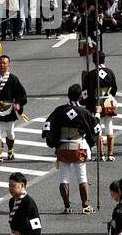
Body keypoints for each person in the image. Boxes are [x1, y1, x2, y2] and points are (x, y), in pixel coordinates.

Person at [42, 83, 100, 215]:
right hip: (78, 147)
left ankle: (67, 205)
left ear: (68, 95)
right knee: (82, 176)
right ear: (80, 97)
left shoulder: (59, 110)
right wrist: (97, 114)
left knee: (64, 178)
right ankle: (85, 205)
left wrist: (52, 140)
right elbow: (96, 128)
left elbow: (47, 124)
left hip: (62, 148)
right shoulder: (84, 112)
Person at [0, 53, 27, 163]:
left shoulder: (13, 79)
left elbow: (21, 94)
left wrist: (18, 104)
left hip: (8, 109)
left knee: (10, 133)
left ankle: (10, 149)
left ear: (8, 65)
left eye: (4, 63)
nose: (2, 65)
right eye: (0, 63)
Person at [82, 52, 118, 161]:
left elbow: (86, 91)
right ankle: (110, 153)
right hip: (107, 101)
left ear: (93, 61)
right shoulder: (110, 72)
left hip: (95, 102)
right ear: (104, 60)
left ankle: (101, 154)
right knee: (109, 125)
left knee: (98, 127)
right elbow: (115, 88)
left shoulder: (91, 74)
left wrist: (86, 102)